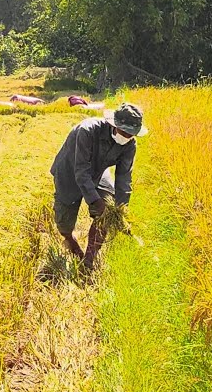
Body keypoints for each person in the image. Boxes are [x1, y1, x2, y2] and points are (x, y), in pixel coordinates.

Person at [50, 102, 147, 273]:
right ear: (114, 124)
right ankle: (71, 244)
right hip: (69, 172)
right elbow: (80, 171)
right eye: (124, 132)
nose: (127, 136)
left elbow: (124, 177)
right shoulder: (87, 131)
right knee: (64, 223)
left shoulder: (130, 145)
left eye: (131, 134)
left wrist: (120, 209)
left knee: (107, 210)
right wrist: (94, 201)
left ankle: (88, 260)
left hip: (98, 173)